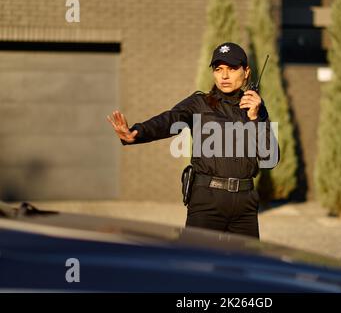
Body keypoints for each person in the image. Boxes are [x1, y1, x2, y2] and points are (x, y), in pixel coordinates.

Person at [107, 42, 279, 239]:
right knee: (198, 265)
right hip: (206, 201)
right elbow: (169, 119)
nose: (224, 76)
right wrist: (136, 132)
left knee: (244, 267)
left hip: (245, 204)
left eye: (232, 69)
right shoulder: (199, 104)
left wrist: (257, 117)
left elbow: (270, 157)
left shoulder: (256, 108)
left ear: (246, 72)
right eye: (218, 69)